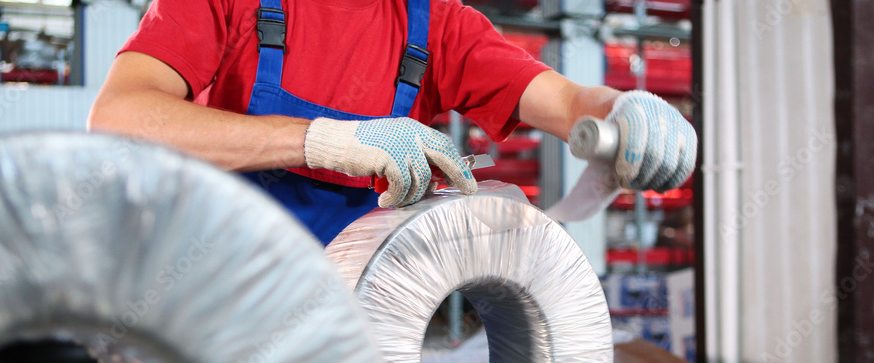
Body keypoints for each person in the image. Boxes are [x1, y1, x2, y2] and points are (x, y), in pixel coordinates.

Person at [88, 0, 696, 245]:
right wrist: (322, 140)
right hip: (211, 322)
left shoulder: (439, 28)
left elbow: (567, 105)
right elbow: (119, 120)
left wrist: (623, 113)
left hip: (360, 336)